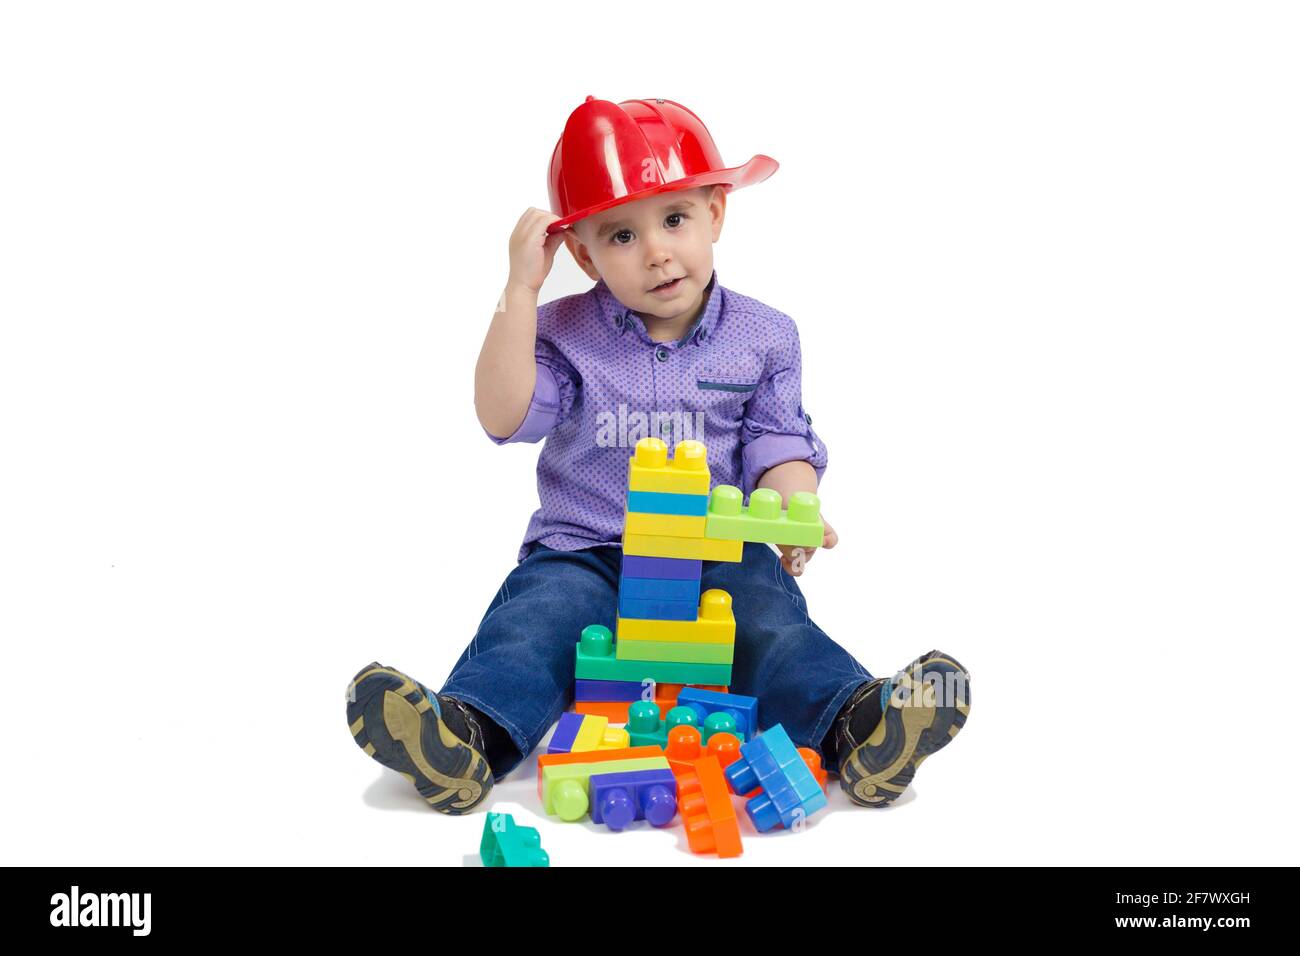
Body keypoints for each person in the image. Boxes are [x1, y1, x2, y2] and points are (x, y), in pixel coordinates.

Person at [346, 96, 970, 816]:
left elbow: (779, 444)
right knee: (532, 628)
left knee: (770, 625)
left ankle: (862, 726)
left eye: (674, 219)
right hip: (583, 549)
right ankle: (465, 736)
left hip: (712, 551)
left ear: (715, 213)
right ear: (581, 253)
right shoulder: (561, 332)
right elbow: (503, 412)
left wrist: (795, 511)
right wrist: (520, 289)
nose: (655, 252)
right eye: (619, 235)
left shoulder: (766, 337)